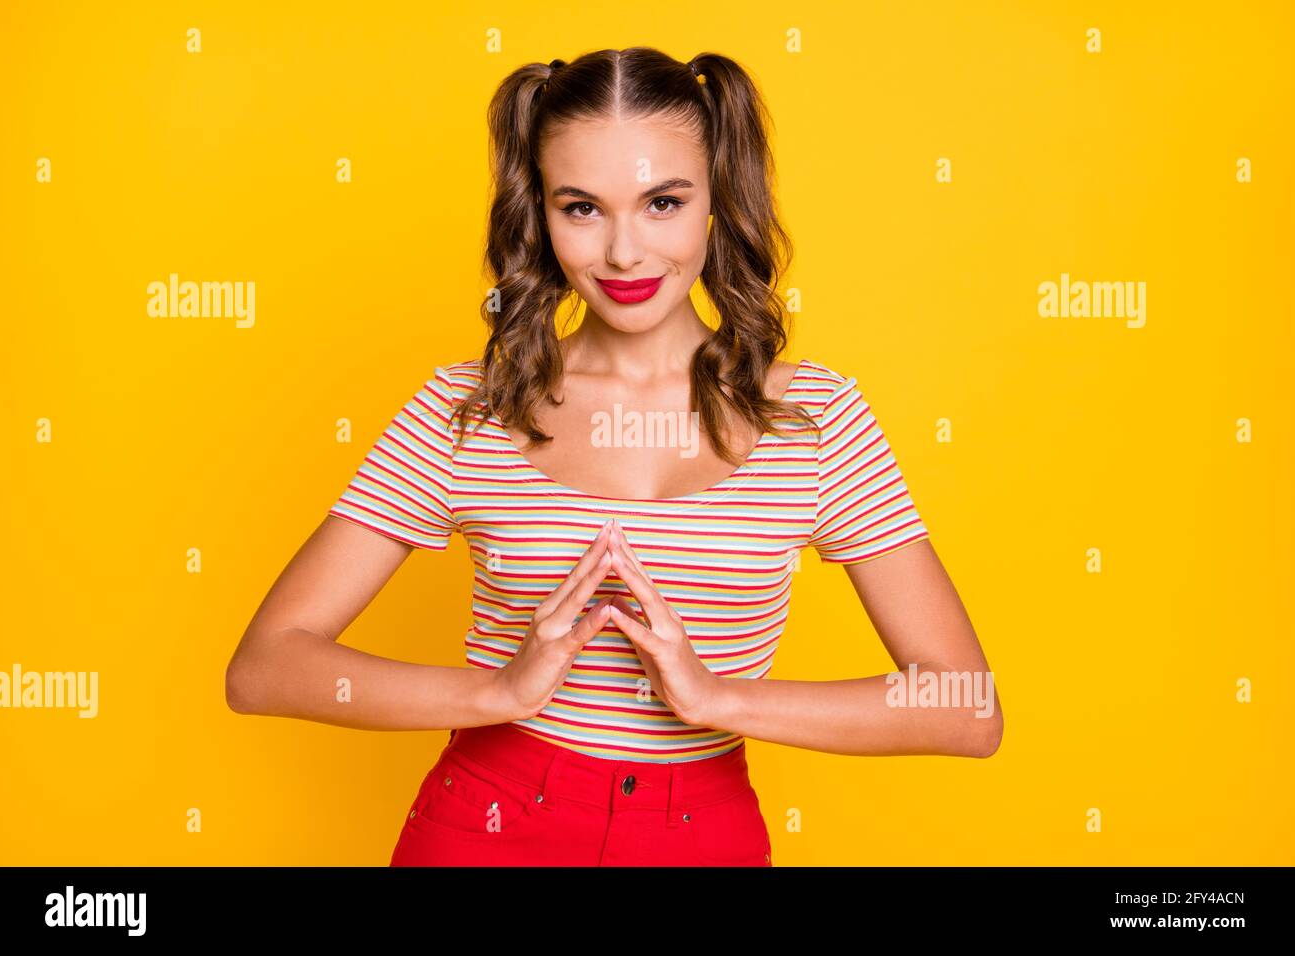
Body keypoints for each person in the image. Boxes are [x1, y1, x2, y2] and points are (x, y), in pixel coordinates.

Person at [225, 47, 1002, 867]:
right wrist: (499, 692)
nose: (626, 254)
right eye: (583, 208)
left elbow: (965, 707)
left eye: (662, 202)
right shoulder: (470, 409)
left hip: (701, 834)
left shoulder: (814, 421)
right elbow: (266, 667)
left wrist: (716, 697)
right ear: (541, 212)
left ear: (716, 200)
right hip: (485, 827)